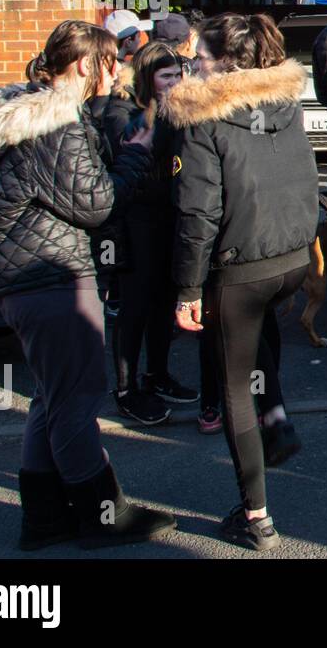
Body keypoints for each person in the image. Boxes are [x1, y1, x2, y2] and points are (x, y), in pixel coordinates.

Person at [0, 20, 174, 550]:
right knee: (77, 399)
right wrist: (137, 151)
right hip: (48, 276)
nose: (118, 72)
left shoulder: (41, 116)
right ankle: (103, 516)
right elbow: (97, 204)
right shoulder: (56, 125)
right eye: (111, 61)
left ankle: (42, 519)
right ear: (87, 65)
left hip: (27, 275)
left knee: (52, 397)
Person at [166, 13, 319, 552]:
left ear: (226, 63)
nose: (193, 68)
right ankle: (276, 422)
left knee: (232, 386)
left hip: (240, 268)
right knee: (261, 348)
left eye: (200, 60)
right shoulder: (286, 103)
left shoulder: (204, 118)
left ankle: (255, 516)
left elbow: (198, 213)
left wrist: (187, 291)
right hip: (291, 258)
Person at [102, 41, 198, 422]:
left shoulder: (175, 107)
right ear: (147, 77)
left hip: (167, 217)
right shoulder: (122, 111)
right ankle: (126, 389)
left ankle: (157, 374)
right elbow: (130, 157)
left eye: (178, 74)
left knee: (162, 303)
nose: (174, 82)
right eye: (166, 76)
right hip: (134, 221)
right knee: (135, 308)